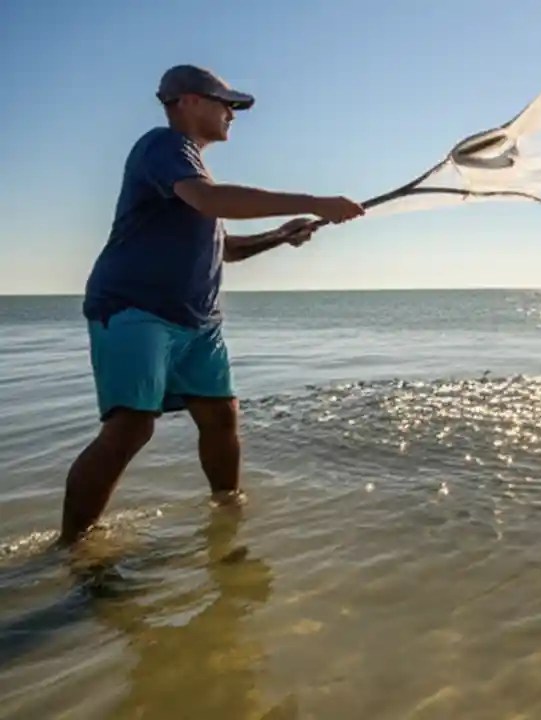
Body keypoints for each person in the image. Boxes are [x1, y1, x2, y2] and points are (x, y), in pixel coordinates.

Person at [59, 64, 366, 545]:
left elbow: (225, 247)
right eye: (228, 103)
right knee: (132, 427)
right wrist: (314, 200)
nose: (233, 114)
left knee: (221, 418)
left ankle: (226, 519)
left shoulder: (191, 170)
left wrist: (280, 237)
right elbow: (210, 200)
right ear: (188, 101)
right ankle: (72, 548)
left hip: (198, 321)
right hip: (134, 308)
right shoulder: (163, 147)